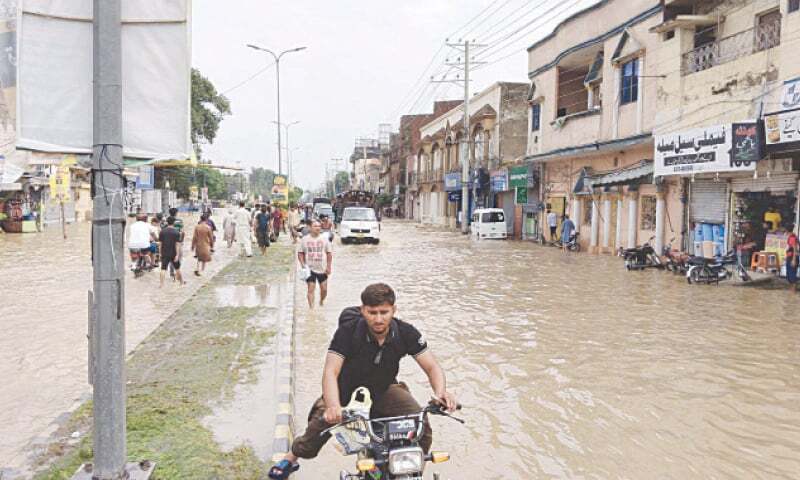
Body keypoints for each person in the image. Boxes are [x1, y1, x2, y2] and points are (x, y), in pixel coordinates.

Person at [268, 283, 458, 479]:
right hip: (345, 391)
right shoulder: (348, 331)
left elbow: (431, 366)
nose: (378, 319)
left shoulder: (406, 332)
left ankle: (413, 471)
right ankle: (291, 458)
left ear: (394, 310)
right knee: (320, 424)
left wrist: (441, 392)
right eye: (372, 312)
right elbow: (331, 371)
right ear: (363, 310)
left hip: (383, 389)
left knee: (420, 423)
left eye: (384, 312)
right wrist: (333, 406)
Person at [297, 220, 333, 308]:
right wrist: (302, 264)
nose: (318, 228)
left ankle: (321, 300)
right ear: (310, 228)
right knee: (310, 289)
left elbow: (329, 253)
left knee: (324, 290)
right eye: (315, 226)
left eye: (319, 226)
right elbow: (300, 253)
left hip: (322, 268)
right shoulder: (304, 239)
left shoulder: (324, 239)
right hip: (309, 269)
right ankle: (311, 308)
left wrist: (328, 266)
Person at [159, 216, 184, 286]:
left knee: (163, 269)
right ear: (174, 222)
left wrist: (160, 253)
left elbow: (160, 244)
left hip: (165, 253)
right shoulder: (176, 232)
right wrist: (177, 255)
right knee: (177, 268)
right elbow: (177, 245)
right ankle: (181, 282)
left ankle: (161, 285)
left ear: (167, 222)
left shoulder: (162, 231)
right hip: (173, 253)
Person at [786, 226, 798, 292]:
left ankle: (793, 289)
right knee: (789, 273)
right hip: (790, 256)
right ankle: (792, 288)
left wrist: (794, 259)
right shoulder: (793, 236)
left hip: (792, 257)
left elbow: (794, 248)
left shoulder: (792, 237)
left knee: (792, 273)